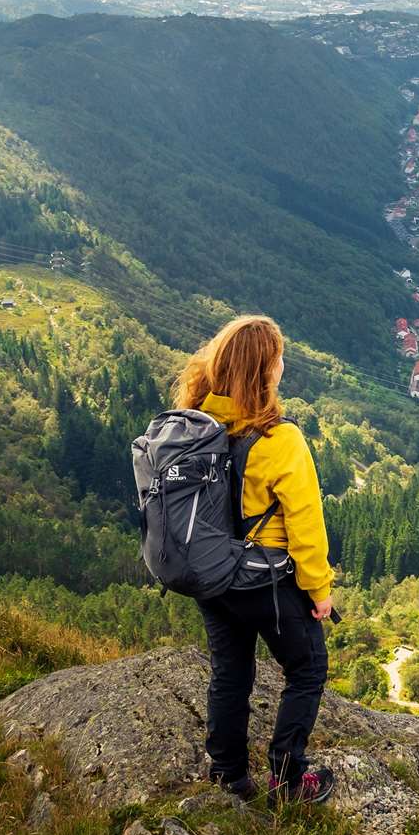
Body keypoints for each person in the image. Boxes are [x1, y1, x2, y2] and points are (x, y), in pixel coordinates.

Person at [172, 315, 337, 804]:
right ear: (264, 372)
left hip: (210, 575)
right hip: (263, 581)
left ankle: (228, 776)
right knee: (307, 668)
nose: (283, 365)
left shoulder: (193, 423)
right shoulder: (279, 440)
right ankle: (288, 780)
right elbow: (306, 525)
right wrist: (319, 590)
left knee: (231, 671)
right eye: (278, 358)